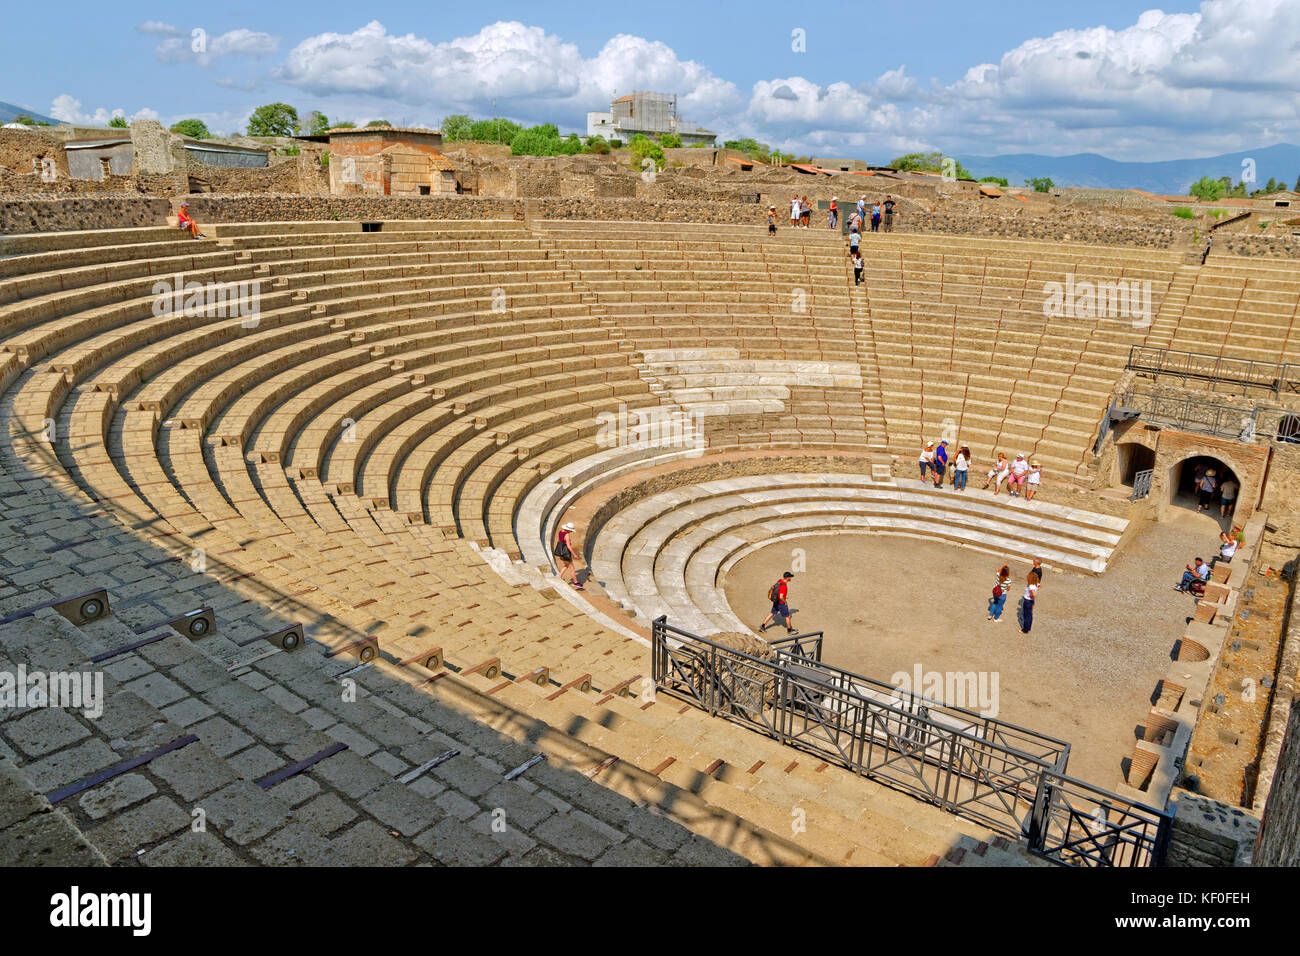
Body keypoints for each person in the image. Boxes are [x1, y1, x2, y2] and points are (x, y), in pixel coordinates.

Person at [554, 522, 584, 589]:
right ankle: (576, 583)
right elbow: (568, 546)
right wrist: (574, 554)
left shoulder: (560, 532)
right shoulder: (567, 535)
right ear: (568, 529)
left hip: (561, 553)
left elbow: (559, 541)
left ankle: (559, 577)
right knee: (572, 568)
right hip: (566, 554)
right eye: (571, 530)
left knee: (566, 565)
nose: (571, 531)